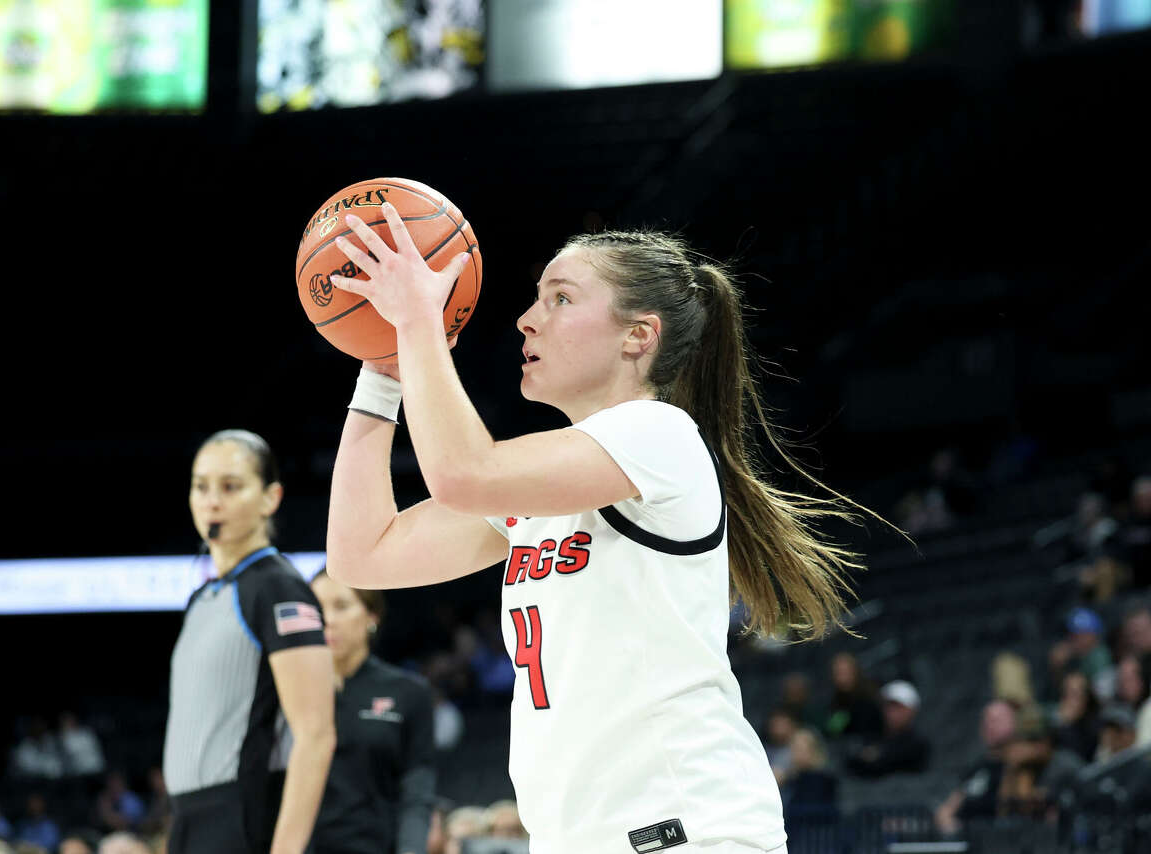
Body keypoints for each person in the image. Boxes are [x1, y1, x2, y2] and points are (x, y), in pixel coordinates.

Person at [326, 213, 885, 853]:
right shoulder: (540, 481)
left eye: (560, 298)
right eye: (536, 299)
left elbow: (461, 472)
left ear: (638, 337)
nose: (526, 320)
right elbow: (359, 554)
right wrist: (382, 369)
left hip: (683, 830)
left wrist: (418, 324)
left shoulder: (659, 434)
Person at [163, 430, 336, 854]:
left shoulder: (277, 587)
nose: (211, 501)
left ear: (269, 498)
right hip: (188, 820)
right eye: (200, 486)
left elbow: (316, 734)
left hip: (241, 818)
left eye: (231, 486)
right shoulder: (204, 597)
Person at [309, 568, 436, 854]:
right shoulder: (286, 692)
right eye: (316, 608)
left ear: (371, 617)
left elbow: (417, 792)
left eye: (341, 606)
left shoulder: (408, 693)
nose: (327, 620)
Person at [934, 700, 1018, 835]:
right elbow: (947, 809)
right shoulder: (980, 767)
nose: (989, 725)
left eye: (996, 720)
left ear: (1013, 724)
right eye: (986, 721)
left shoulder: (1021, 767)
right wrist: (949, 822)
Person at [846, 680, 930, 777]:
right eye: (888, 705)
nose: (891, 712)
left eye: (898, 706)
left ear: (911, 710)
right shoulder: (873, 735)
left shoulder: (918, 742)